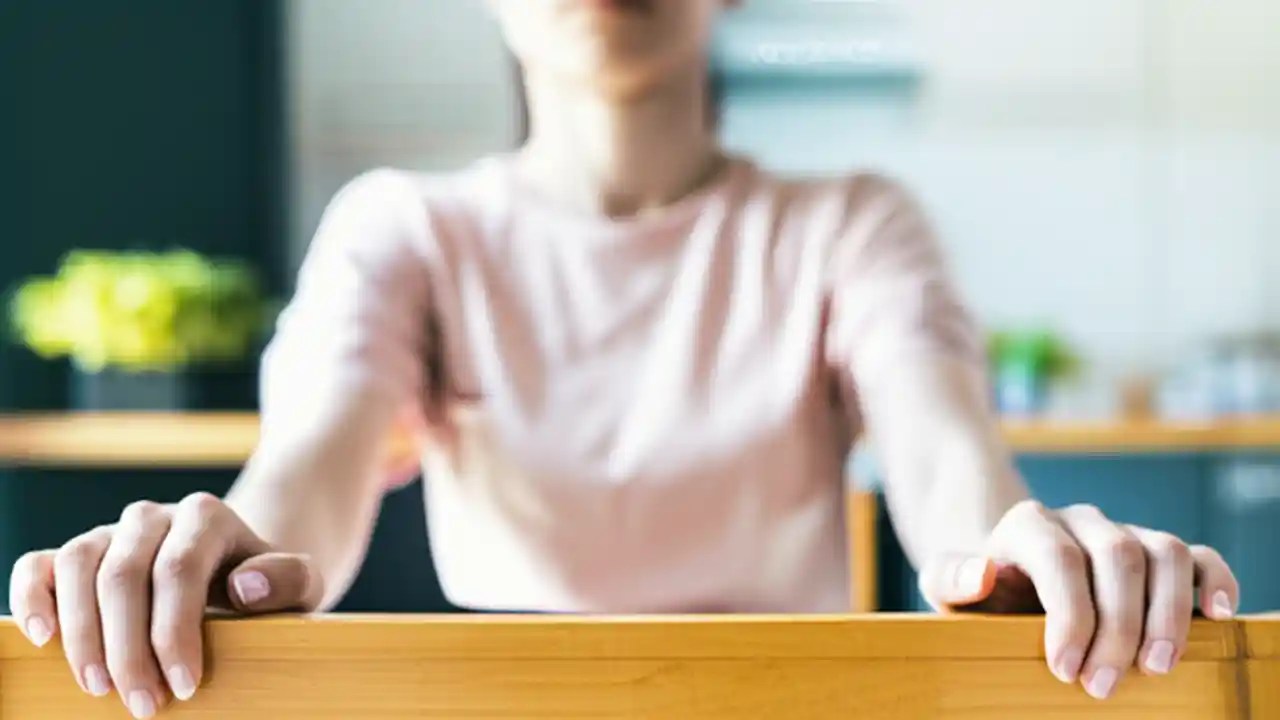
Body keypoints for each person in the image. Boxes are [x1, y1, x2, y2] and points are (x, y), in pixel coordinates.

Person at [8, 1, 1239, 717]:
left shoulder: (850, 222)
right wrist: (221, 551)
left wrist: (1021, 550)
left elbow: (950, 481)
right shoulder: (405, 228)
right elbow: (301, 489)